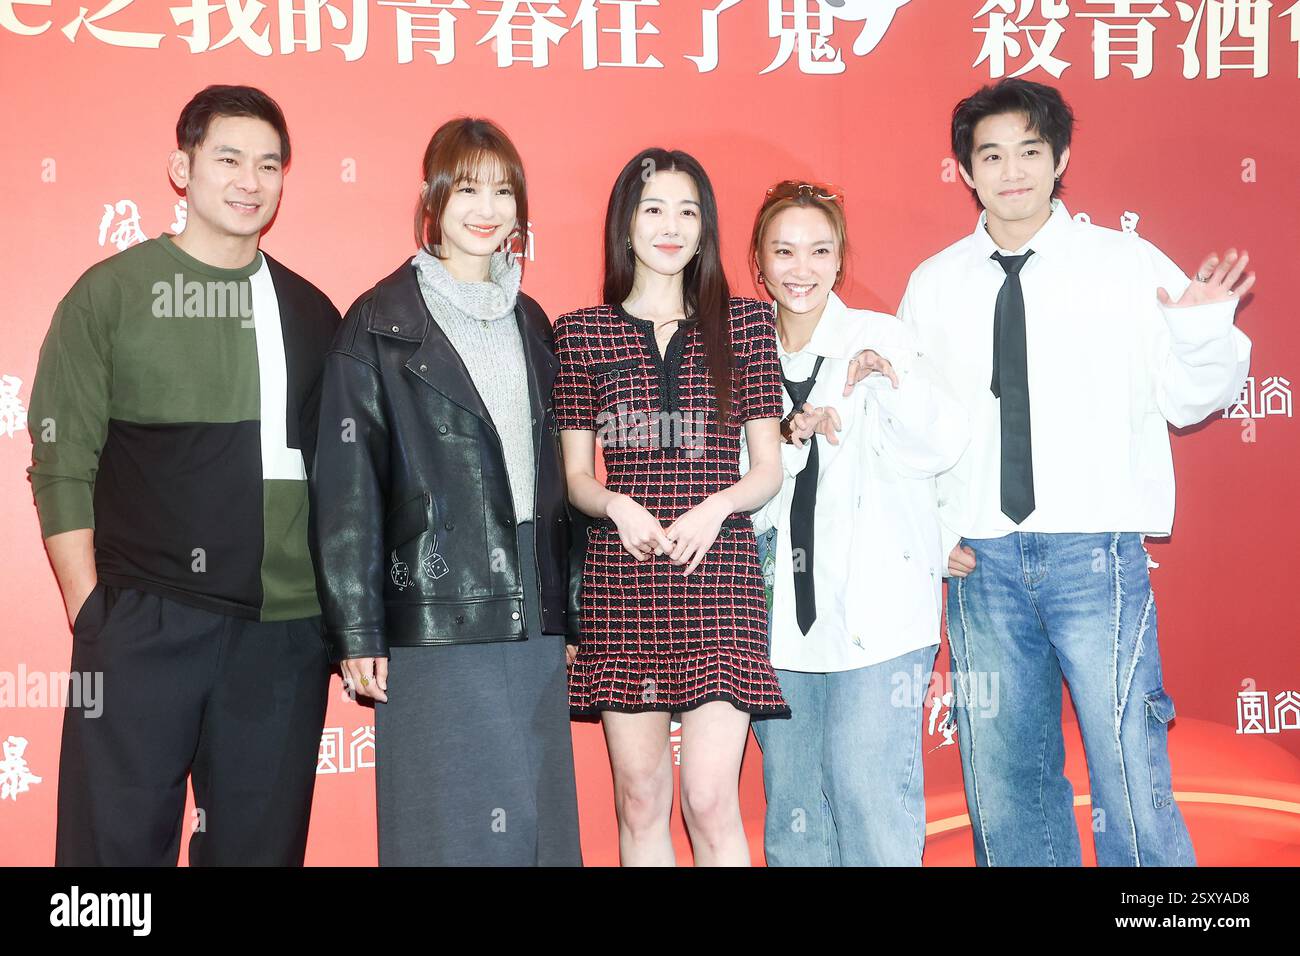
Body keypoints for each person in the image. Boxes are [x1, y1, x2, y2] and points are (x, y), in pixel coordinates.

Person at [844, 78, 1253, 866]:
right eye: (990, 156)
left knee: (1133, 774)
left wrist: (1201, 329)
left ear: (1061, 156)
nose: (1012, 172)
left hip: (1095, 556)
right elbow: (912, 427)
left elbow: (1191, 396)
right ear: (965, 170)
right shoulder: (934, 285)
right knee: (1006, 783)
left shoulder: (1127, 264)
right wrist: (933, 530)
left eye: (1030, 152)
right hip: (981, 565)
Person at [28, 85, 339, 866]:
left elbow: (341, 475)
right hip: (143, 620)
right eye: (229, 158)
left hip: (282, 631)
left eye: (269, 164)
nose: (250, 180)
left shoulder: (310, 312)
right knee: (112, 862)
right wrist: (91, 607)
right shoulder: (111, 294)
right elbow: (63, 457)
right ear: (182, 167)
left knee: (256, 853)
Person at [310, 117, 581, 866]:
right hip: (435, 597)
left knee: (539, 818)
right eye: (467, 188)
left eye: (502, 190)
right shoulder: (378, 323)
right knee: (448, 818)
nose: (486, 207)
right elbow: (347, 490)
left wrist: (576, 601)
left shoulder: (533, 320)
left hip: (534, 594)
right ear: (434, 198)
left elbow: (559, 473)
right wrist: (357, 628)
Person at [555, 148, 786, 867]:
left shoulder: (745, 324)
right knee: (641, 796)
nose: (671, 225)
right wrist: (614, 504)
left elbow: (768, 470)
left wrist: (715, 509)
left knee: (712, 798)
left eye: (688, 211)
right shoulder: (580, 333)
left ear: (705, 228)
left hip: (720, 580)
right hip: (623, 584)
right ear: (627, 224)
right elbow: (574, 477)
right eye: (653, 208)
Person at [743, 180, 968, 865]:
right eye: (783, 251)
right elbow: (737, 492)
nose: (800, 268)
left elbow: (941, 445)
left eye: (818, 250)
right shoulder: (742, 352)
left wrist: (886, 389)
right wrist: (789, 437)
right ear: (758, 261)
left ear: (840, 260)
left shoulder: (881, 337)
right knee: (796, 818)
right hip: (777, 623)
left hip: (877, 620)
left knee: (872, 803)